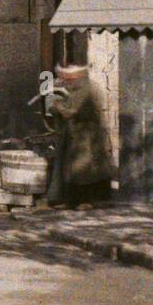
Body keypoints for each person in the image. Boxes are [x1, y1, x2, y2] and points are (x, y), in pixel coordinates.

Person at [47, 65, 114, 208]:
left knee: (84, 170)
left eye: (67, 78)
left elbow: (71, 111)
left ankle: (86, 201)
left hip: (88, 137)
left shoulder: (86, 89)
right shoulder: (76, 89)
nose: (65, 81)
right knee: (72, 170)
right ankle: (71, 201)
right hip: (77, 136)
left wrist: (58, 107)